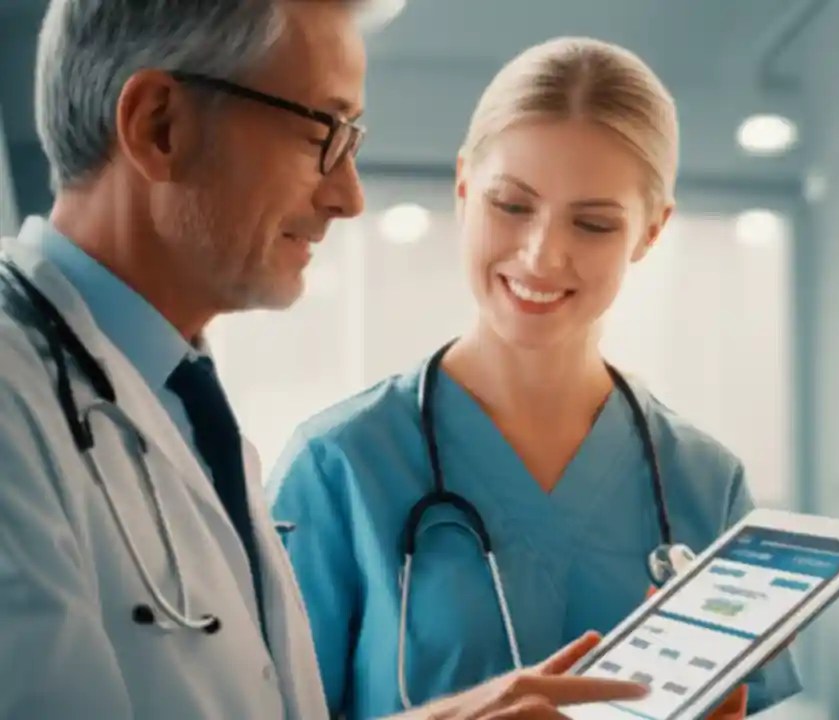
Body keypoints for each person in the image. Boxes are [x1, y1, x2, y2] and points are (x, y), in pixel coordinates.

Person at [0, 1, 647, 718]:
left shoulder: (177, 404)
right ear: (161, 126)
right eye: (322, 135)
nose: (348, 196)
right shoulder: (15, 401)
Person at [268, 36, 803, 720]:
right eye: (512, 206)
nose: (543, 255)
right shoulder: (338, 466)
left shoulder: (705, 483)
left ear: (651, 231)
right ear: (464, 188)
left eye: (594, 223)